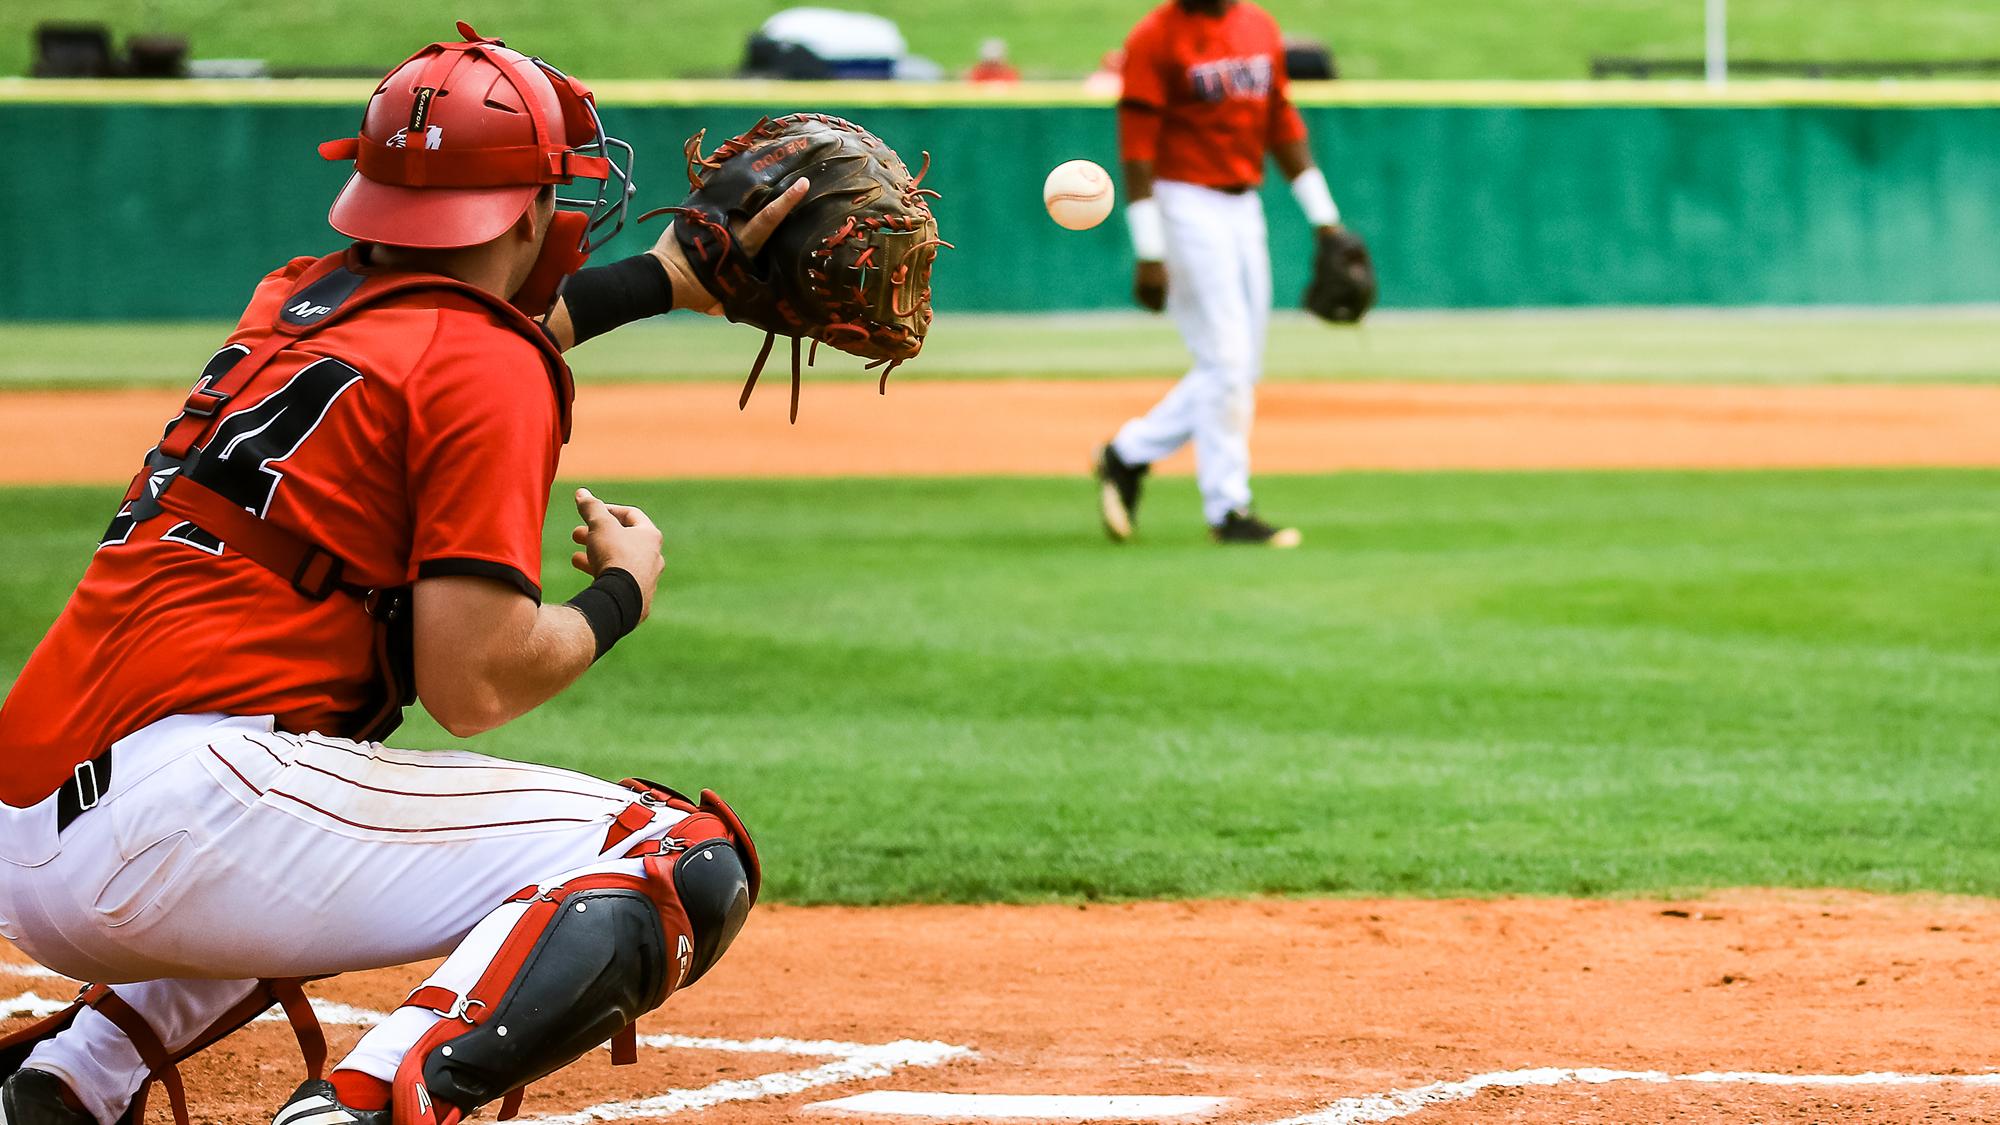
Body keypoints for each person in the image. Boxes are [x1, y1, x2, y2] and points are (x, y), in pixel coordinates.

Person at [0, 25, 804, 1125]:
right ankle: (365, 1107)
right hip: (181, 818)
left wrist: (663, 281)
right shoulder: (489, 365)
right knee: (672, 854)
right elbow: (476, 682)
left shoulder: (295, 300)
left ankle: (67, 1081)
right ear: (527, 212)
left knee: (333, 794)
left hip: (39, 819)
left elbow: (459, 334)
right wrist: (620, 592)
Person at [1095, 0, 1350, 548]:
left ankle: (1127, 454)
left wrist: (1325, 219)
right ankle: (1228, 509)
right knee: (1228, 364)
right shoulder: (1155, 37)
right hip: (1181, 201)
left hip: (1243, 204)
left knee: (1237, 367)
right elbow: (1137, 149)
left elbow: (1281, 121)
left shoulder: (1258, 25)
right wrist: (1149, 249)